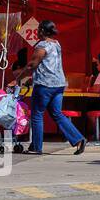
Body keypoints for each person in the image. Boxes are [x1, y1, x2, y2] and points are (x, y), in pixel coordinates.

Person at [16, 20, 87, 156]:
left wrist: (18, 78)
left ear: (42, 31)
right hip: (58, 84)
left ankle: (36, 147)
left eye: (38, 29)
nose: (36, 32)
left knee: (37, 115)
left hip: (45, 85)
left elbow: (32, 65)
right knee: (57, 113)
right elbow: (48, 64)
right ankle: (78, 139)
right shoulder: (56, 44)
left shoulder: (42, 45)